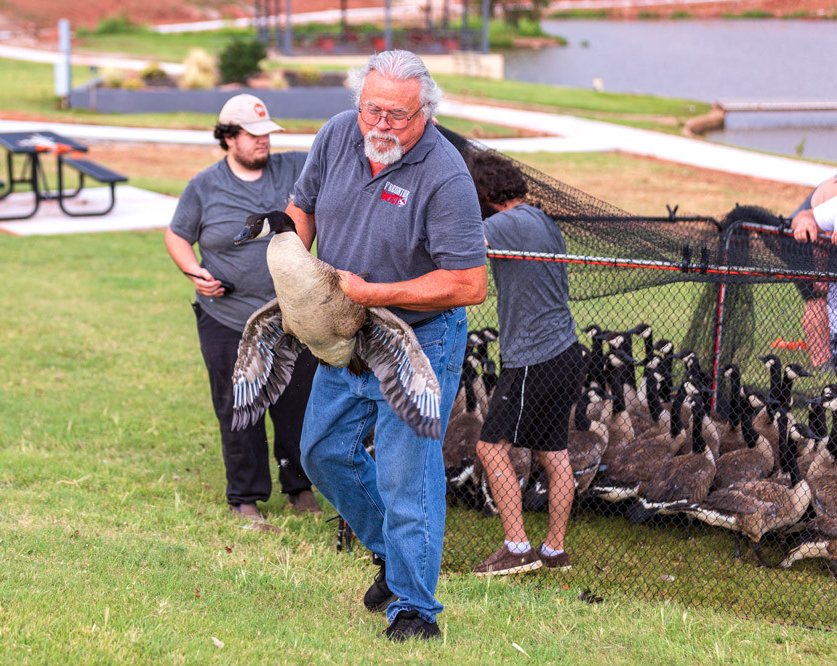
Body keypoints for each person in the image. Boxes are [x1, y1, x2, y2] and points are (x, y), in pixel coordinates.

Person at [285, 50, 487, 642]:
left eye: (397, 115)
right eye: (372, 110)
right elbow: (303, 209)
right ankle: (395, 556)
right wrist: (297, 277)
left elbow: (469, 283)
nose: (381, 126)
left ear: (424, 112)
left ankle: (415, 610)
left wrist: (374, 292)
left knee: (407, 471)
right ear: (358, 102)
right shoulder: (335, 137)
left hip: (418, 339)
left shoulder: (445, 176)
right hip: (344, 331)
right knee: (320, 450)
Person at [165, 94, 321, 523]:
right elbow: (177, 235)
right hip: (226, 319)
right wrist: (195, 271)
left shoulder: (292, 169)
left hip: (289, 315)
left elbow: (335, 160)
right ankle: (246, 497)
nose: (263, 142)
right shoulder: (204, 187)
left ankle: (299, 487)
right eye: (253, 135)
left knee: (296, 404)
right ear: (229, 137)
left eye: (267, 134)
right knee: (239, 405)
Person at [467, 149, 586, 576]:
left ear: (481, 193)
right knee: (553, 452)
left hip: (533, 356)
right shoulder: (540, 219)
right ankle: (555, 551)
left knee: (489, 447)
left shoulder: (503, 224)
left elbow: (466, 242)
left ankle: (517, 548)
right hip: (567, 351)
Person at [790, 175, 837, 370]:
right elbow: (805, 217)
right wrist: (804, 224)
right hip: (806, 248)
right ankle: (822, 363)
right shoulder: (831, 197)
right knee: (817, 293)